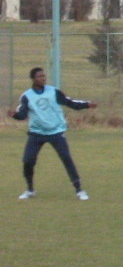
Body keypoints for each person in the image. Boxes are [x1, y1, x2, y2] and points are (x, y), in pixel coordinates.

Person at [8, 67, 97, 200]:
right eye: (40, 76)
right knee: (28, 161)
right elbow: (22, 114)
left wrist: (86, 104)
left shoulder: (53, 92)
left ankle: (79, 190)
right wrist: (15, 115)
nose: (43, 78)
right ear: (33, 79)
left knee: (66, 158)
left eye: (44, 76)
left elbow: (70, 102)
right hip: (36, 133)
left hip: (56, 132)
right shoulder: (27, 96)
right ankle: (30, 190)